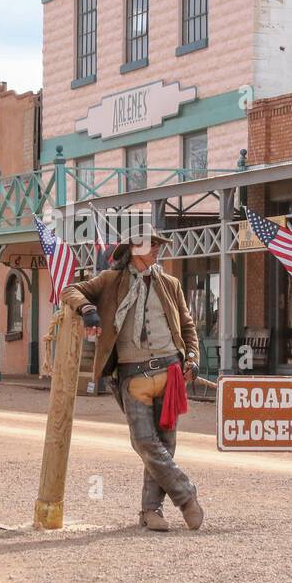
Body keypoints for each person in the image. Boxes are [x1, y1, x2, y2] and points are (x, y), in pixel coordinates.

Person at [62, 224, 205, 532]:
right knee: (143, 441)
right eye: (150, 244)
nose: (157, 248)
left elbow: (187, 325)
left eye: (157, 243)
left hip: (170, 371)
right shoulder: (110, 280)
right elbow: (69, 290)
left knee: (164, 443)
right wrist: (87, 308)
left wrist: (192, 356)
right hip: (132, 373)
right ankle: (186, 496)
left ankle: (150, 511)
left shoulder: (170, 283)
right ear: (133, 250)